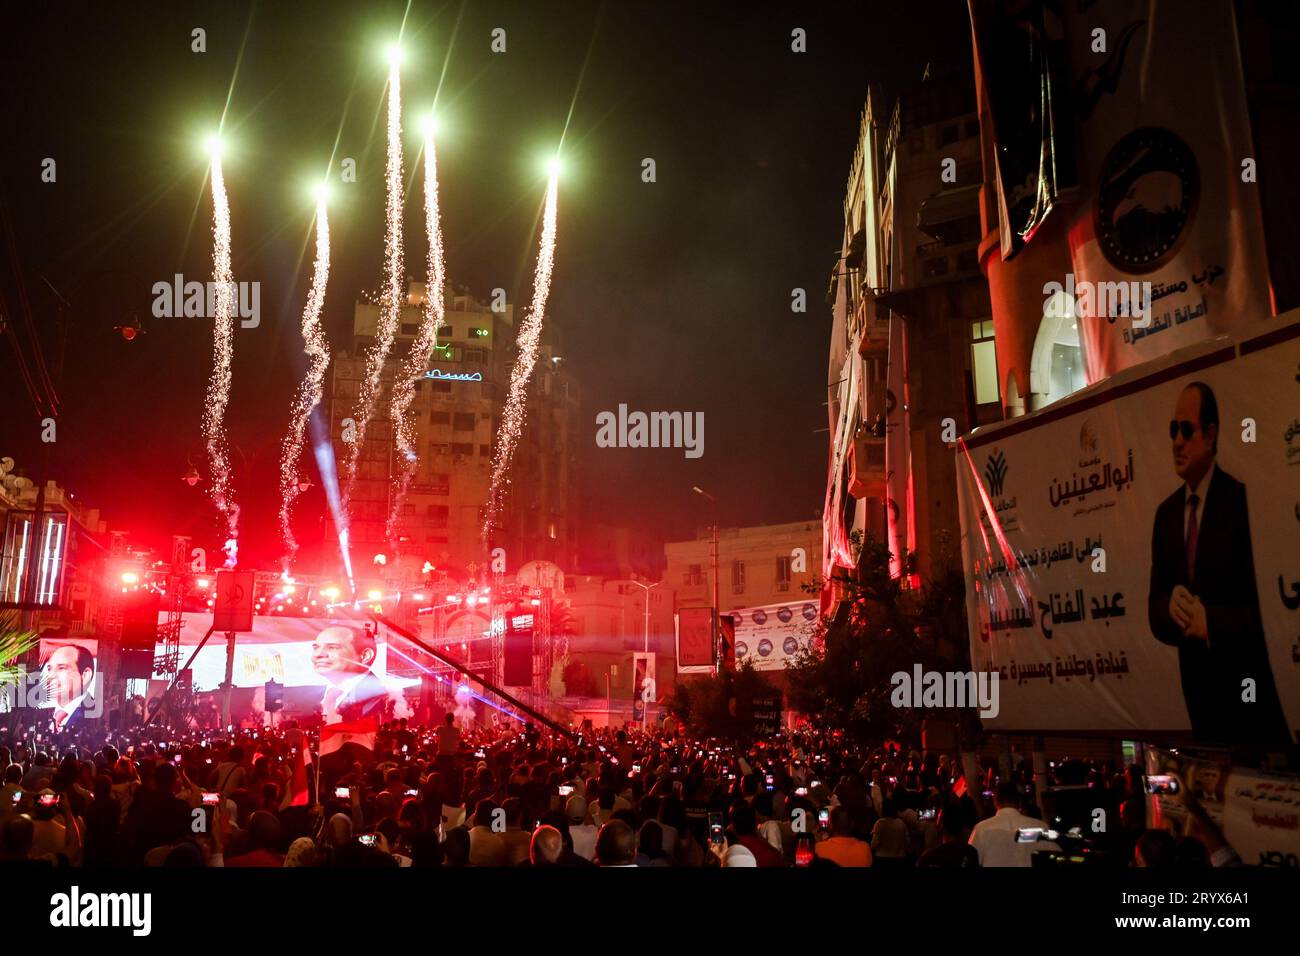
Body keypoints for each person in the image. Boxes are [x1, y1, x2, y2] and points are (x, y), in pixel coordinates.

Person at [1148, 382, 1289, 744]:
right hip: (1199, 711)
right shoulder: (1165, 516)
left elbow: (1271, 613)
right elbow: (1155, 608)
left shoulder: (1241, 503)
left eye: (1186, 430)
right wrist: (1171, 609)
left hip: (1253, 707)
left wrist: (1210, 623)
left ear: (1210, 435)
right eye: (1172, 430)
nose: (1177, 442)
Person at [310, 624, 390, 724]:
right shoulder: (309, 696)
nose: (318, 654)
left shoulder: (382, 698)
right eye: (316, 647)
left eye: (332, 647)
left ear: (365, 656)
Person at [967, 782, 1058, 867]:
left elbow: (969, 860)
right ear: (1019, 801)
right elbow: (1054, 857)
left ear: (995, 802)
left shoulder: (982, 829)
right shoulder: (1040, 827)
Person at [42, 644, 96, 733]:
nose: (51, 676)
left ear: (85, 675)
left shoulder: (94, 717)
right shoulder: (41, 715)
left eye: (62, 668)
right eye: (49, 669)